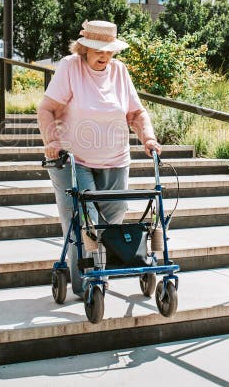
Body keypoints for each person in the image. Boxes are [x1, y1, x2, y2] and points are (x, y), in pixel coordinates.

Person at [37, 20, 161, 297]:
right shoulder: (70, 67)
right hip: (73, 160)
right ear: (84, 49)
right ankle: (89, 285)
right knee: (85, 224)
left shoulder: (119, 71)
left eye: (108, 50)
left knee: (112, 222)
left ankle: (102, 273)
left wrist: (148, 138)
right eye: (97, 50)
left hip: (116, 159)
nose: (103, 56)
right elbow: (47, 109)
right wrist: (52, 141)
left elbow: (136, 114)